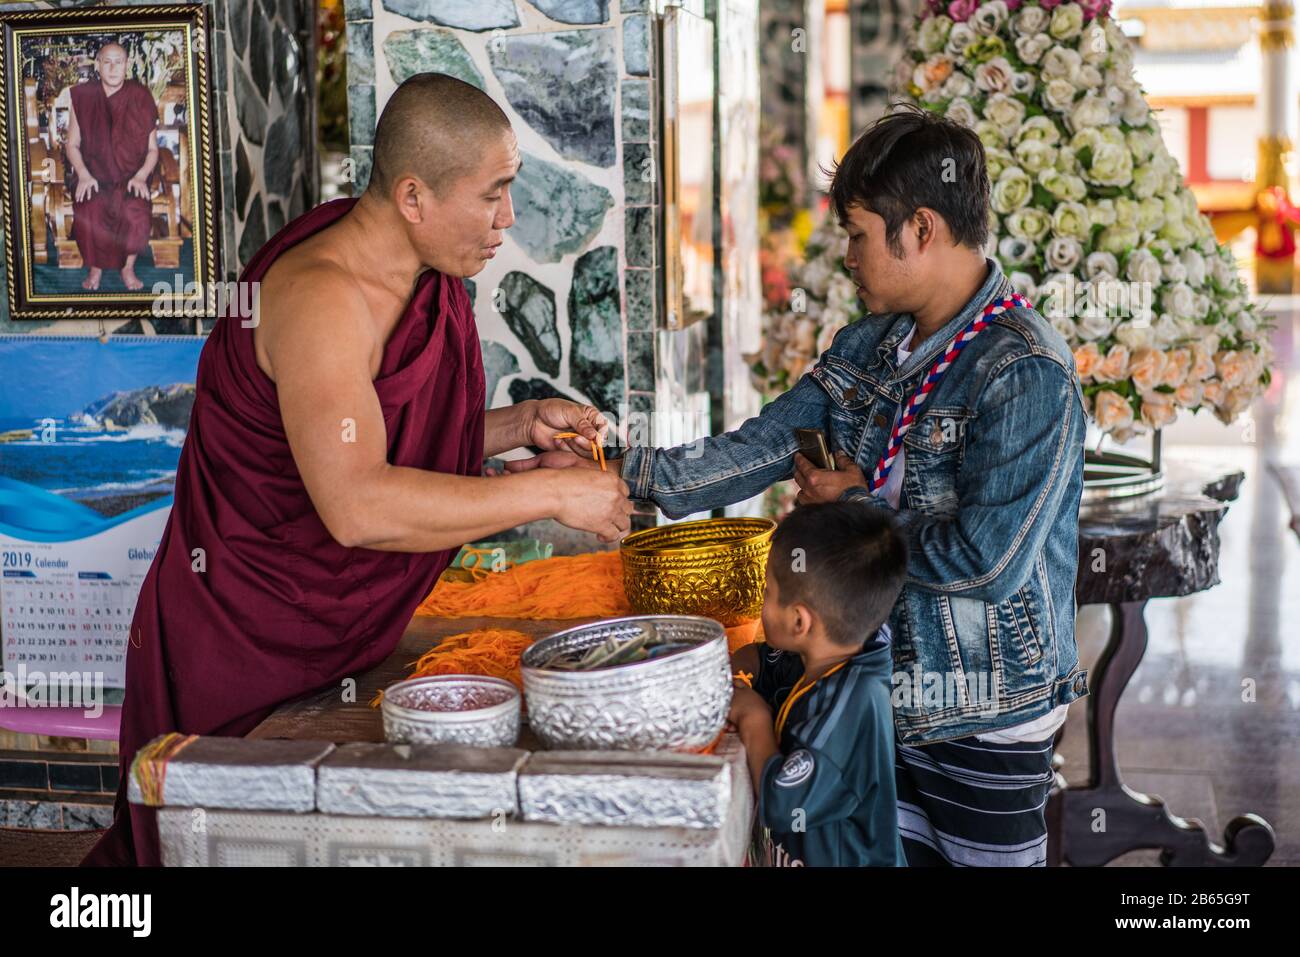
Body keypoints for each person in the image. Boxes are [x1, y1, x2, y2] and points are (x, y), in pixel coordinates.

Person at [511, 105, 1088, 866]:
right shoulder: (870, 346)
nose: (848, 256)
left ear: (920, 229)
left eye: (857, 234)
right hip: (873, 680)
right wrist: (616, 472)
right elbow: (759, 446)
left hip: (978, 706)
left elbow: (988, 562)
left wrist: (855, 508)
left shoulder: (1026, 373)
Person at [81, 72, 633, 866]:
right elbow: (355, 503)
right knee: (231, 844)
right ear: (413, 197)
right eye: (494, 195)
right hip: (245, 629)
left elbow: (372, 439)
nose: (507, 221)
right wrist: (547, 492)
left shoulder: (415, 274)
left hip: (330, 629)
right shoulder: (320, 299)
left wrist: (516, 425)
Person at [728, 501, 907, 867]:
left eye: (767, 593)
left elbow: (783, 804)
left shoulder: (853, 705)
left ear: (799, 621)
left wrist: (753, 719)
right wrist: (734, 674)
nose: (762, 604)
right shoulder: (824, 654)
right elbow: (761, 659)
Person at [66, 41, 159, 291]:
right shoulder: (84, 96)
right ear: (98, 65)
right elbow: (72, 145)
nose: (113, 67)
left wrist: (140, 177)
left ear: (127, 65)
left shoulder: (140, 96)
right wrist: (84, 175)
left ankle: (127, 269)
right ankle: (95, 269)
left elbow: (152, 150)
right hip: (94, 175)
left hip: (130, 177)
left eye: (119, 62)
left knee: (135, 210)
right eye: (107, 61)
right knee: (91, 206)